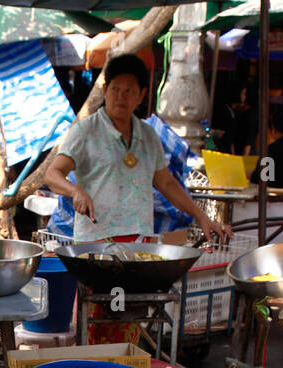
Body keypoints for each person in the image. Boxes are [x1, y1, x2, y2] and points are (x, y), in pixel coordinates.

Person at [44, 54, 226, 242]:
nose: (120, 97)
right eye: (115, 89)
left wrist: (202, 217)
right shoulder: (85, 131)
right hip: (95, 241)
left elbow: (167, 183)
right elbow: (52, 174)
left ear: (141, 95)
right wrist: (75, 192)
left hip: (139, 240)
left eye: (129, 91)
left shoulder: (148, 135)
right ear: (105, 90)